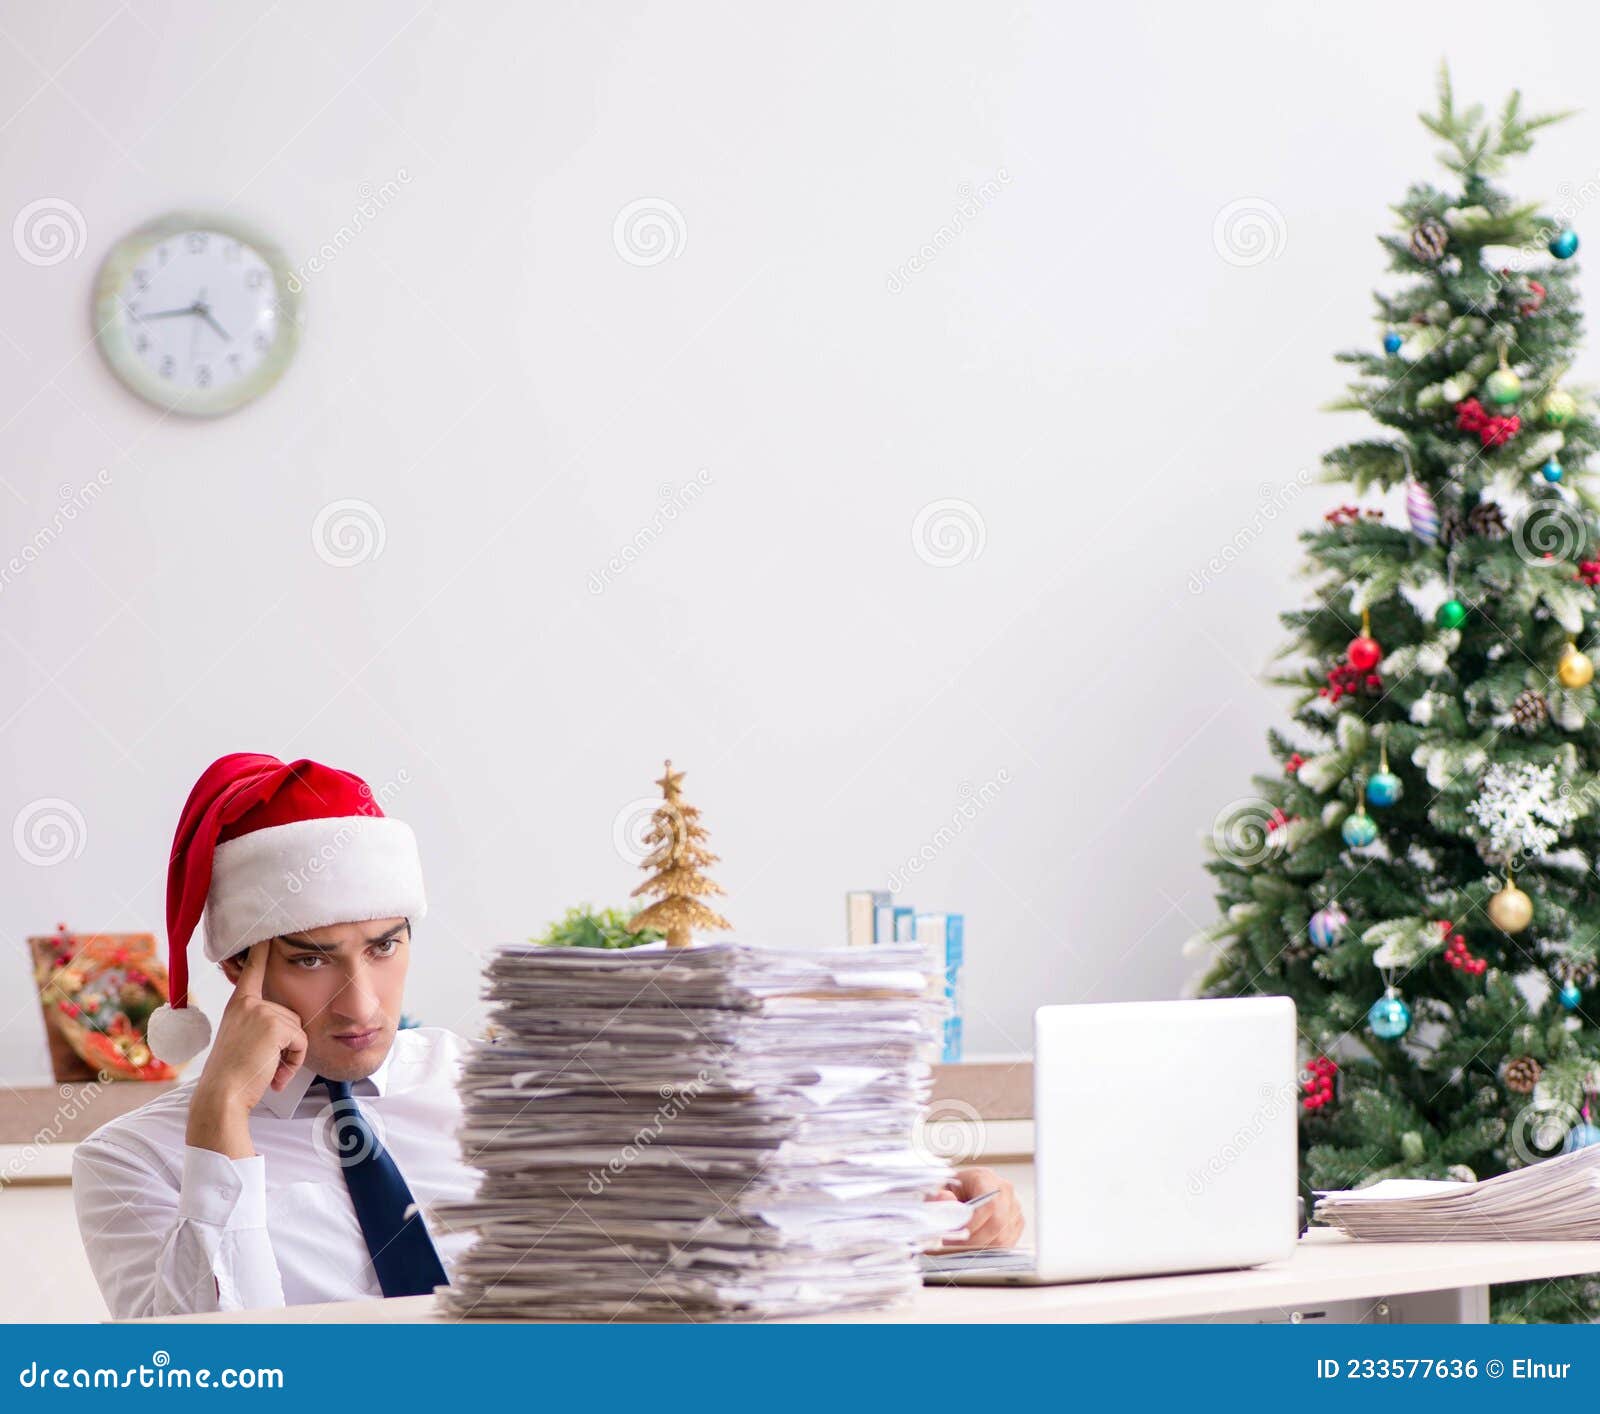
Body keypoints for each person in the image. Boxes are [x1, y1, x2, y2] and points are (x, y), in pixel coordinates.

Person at [72, 752, 1023, 1319]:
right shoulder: (137, 1162)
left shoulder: (503, 1087)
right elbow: (208, 1375)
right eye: (314, 958)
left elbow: (715, 1206)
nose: (364, 1001)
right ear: (241, 972)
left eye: (386, 946)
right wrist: (222, 1120)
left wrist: (923, 1210)